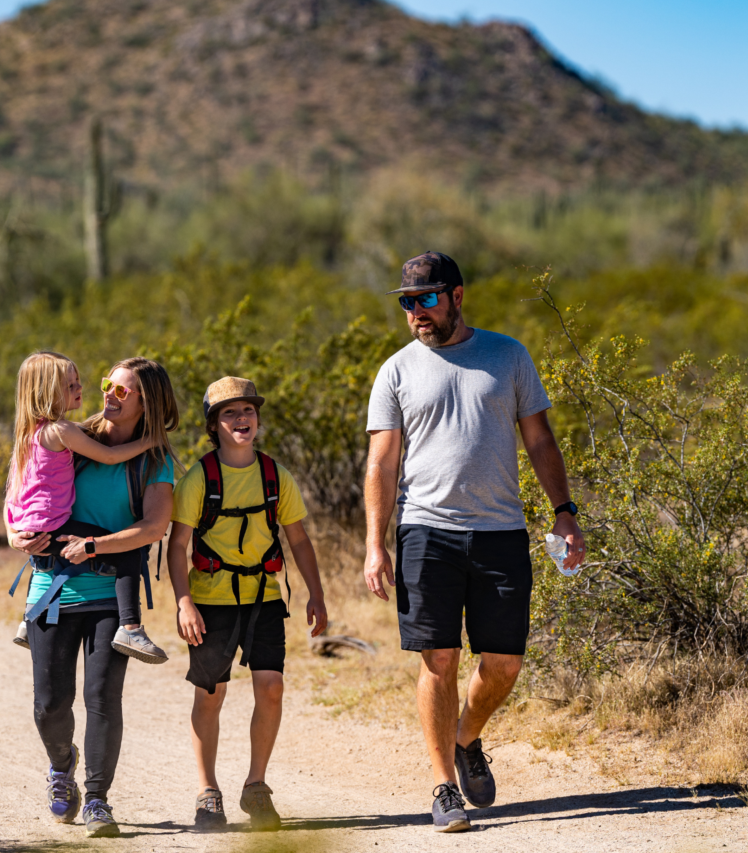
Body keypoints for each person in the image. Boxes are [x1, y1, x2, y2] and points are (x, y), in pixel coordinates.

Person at [363, 252, 586, 833]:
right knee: (438, 659)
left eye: (427, 299)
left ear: (457, 296)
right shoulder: (396, 371)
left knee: (505, 665)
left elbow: (540, 441)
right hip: (425, 531)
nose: (416, 313)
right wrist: (374, 542)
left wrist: (564, 513)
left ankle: (466, 738)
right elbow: (382, 463)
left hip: (500, 532)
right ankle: (442, 787)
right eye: (407, 302)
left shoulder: (507, 356)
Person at [6, 356, 181, 837]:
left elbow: (154, 527)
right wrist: (15, 537)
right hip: (51, 588)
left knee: (102, 697)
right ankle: (62, 768)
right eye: (108, 384)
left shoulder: (154, 460)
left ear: (149, 403)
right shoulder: (68, 437)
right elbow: (18, 496)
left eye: (123, 391)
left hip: (110, 591)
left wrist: (95, 546)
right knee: (49, 705)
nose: (108, 394)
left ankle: (98, 800)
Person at [166, 377, 328, 832]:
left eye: (248, 412)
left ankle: (256, 786)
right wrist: (184, 604)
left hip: (264, 597)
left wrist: (316, 593)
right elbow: (176, 546)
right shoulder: (199, 478)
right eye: (229, 414)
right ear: (214, 425)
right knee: (211, 694)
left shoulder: (276, 475)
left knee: (271, 687)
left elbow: (299, 538)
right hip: (211, 600)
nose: (241, 420)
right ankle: (207, 793)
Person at [5, 351, 166, 662]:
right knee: (127, 546)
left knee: (116, 543)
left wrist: (15, 532)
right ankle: (131, 626)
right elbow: (109, 456)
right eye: (70, 385)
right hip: (53, 525)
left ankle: (29, 621)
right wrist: (150, 441)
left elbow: (13, 494)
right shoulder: (62, 431)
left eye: (78, 382)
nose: (83, 388)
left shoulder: (30, 433)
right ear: (46, 393)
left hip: (35, 524)